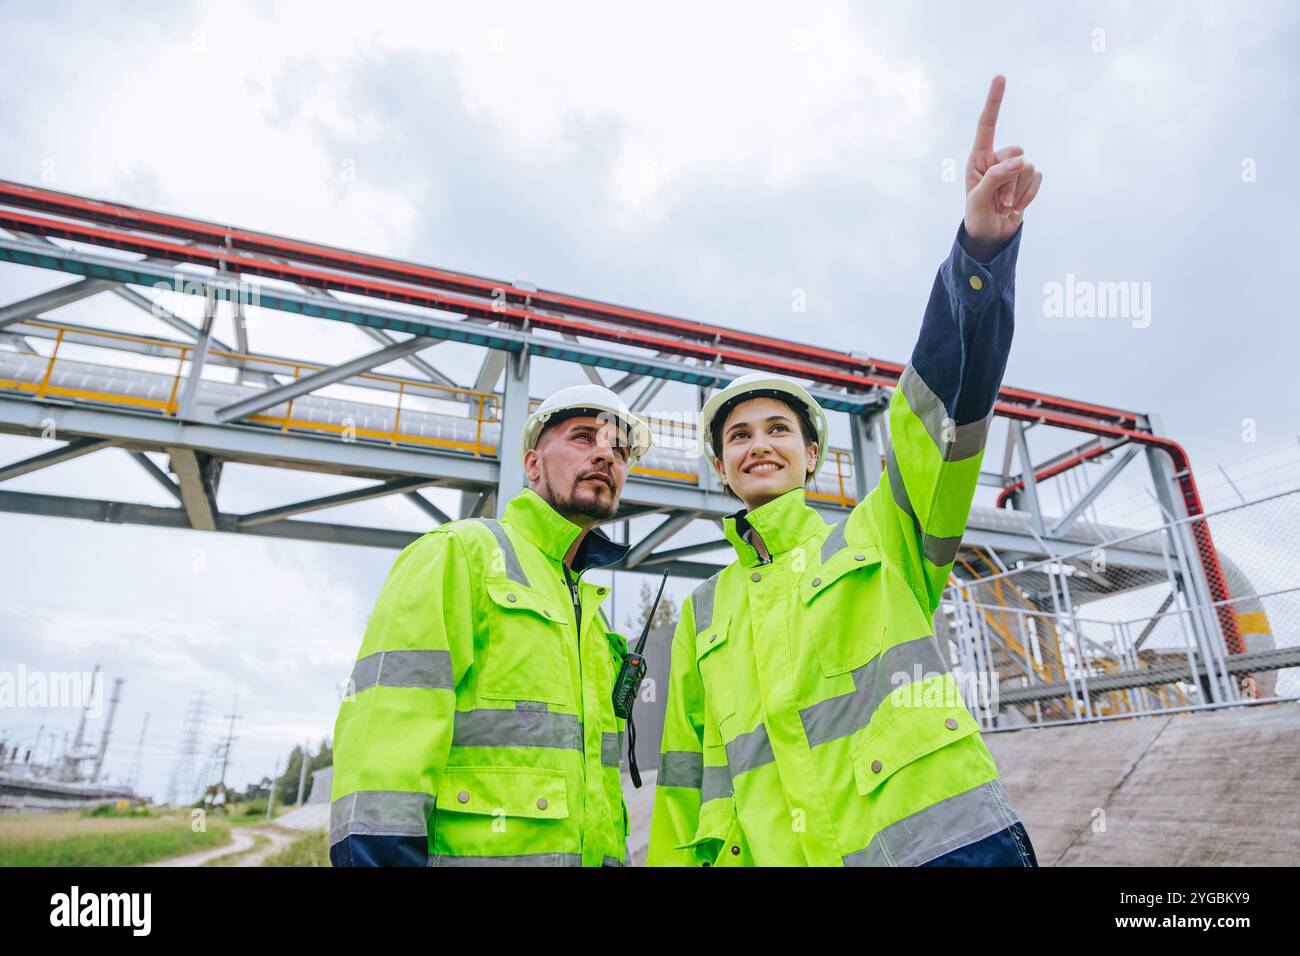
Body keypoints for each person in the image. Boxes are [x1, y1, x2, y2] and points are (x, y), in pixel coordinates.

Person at [647, 75, 1042, 867]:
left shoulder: (881, 540)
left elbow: (939, 413)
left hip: (942, 855)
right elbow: (685, 787)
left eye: (777, 431)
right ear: (723, 470)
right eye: (740, 437)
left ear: (809, 456)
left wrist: (979, 254)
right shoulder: (699, 616)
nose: (758, 444)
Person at [329, 384, 652, 866]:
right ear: (532, 465)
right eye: (584, 437)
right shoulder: (459, 554)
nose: (607, 455)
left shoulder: (589, 615)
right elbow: (387, 735)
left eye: (620, 449)